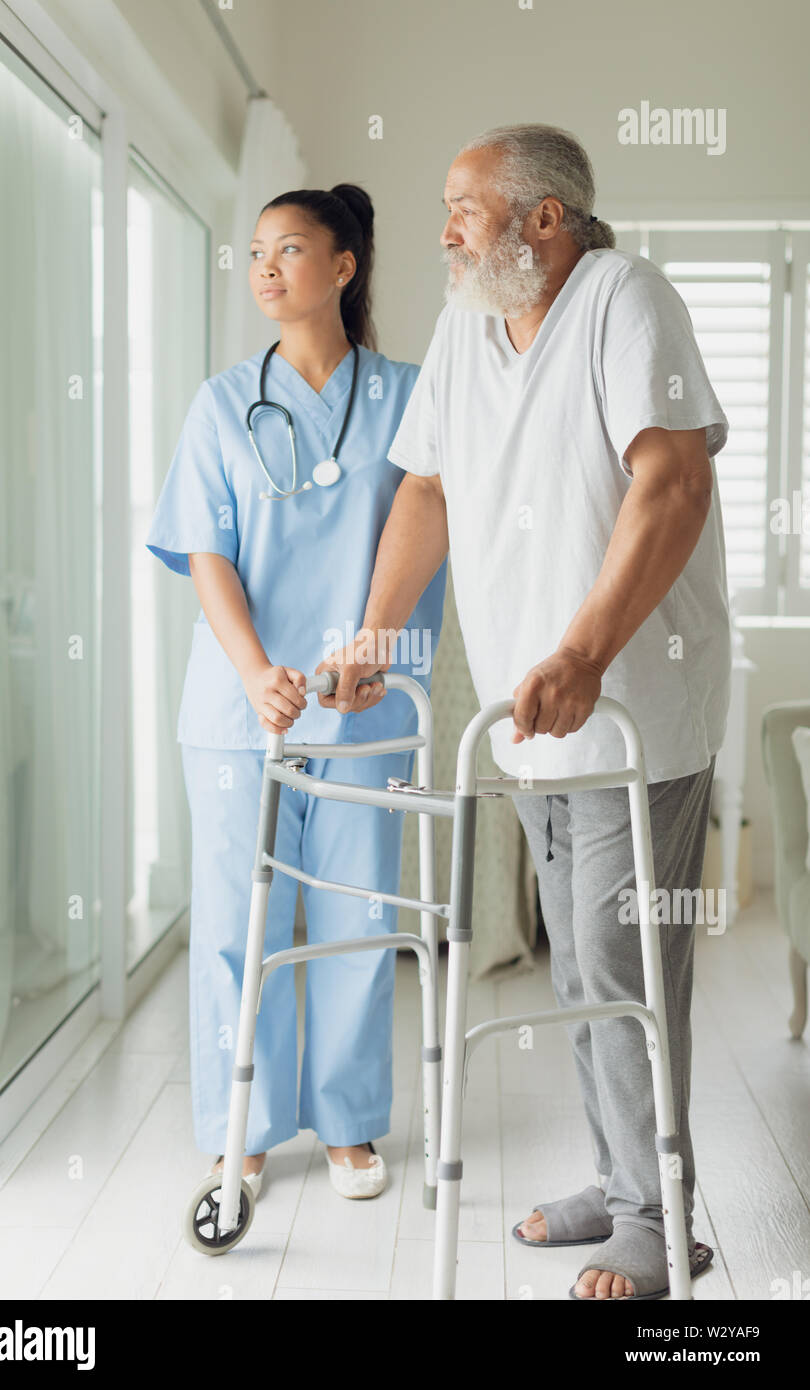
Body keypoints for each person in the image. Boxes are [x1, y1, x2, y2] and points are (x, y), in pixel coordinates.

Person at [320, 125, 730, 1296]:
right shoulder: (464, 328)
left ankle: (659, 1222)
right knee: (578, 970)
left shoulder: (620, 297)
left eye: (465, 206)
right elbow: (429, 489)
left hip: (631, 702)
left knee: (619, 965)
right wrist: (372, 632)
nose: (442, 227)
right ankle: (621, 1176)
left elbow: (673, 480)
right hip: (527, 716)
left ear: (543, 219)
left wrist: (586, 650)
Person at [145, 183, 447, 1201]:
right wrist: (253, 671)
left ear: (344, 267)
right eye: (255, 253)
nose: (264, 268)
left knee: (357, 917)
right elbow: (205, 549)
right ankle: (244, 1124)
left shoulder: (409, 394)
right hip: (245, 708)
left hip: (367, 703)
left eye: (289, 249)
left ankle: (351, 1123)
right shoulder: (223, 401)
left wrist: (370, 647)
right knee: (240, 927)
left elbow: (433, 521)